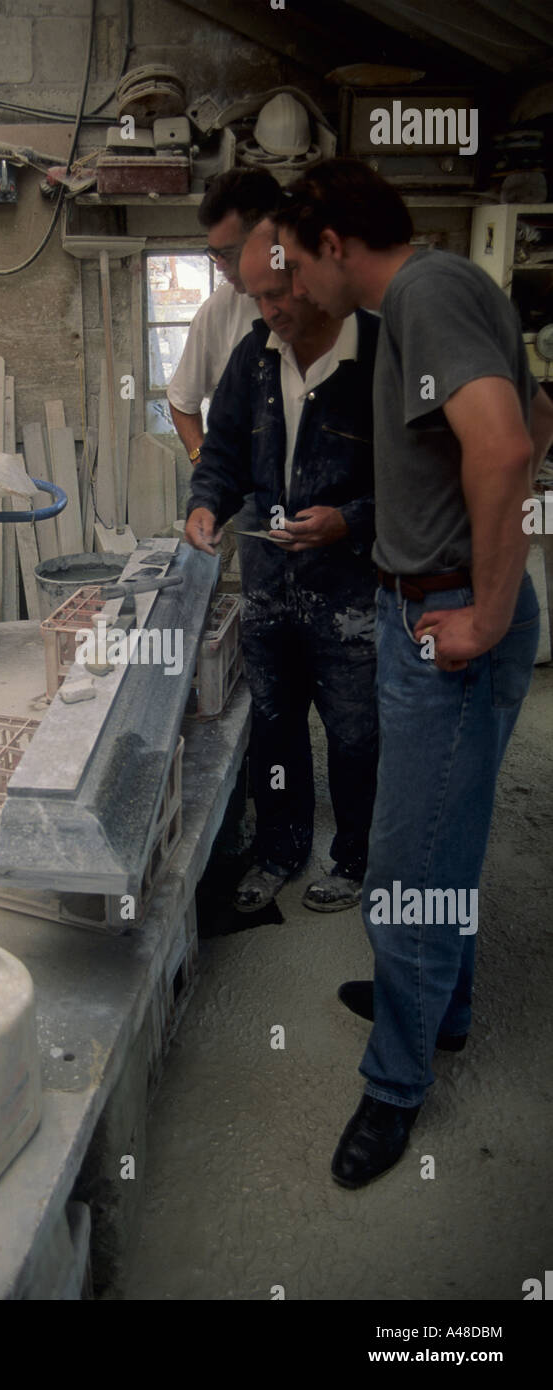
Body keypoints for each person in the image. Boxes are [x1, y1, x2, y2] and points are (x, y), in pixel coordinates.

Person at [275, 158, 553, 1189]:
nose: (295, 287)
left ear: (338, 244)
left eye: (298, 264)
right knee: (442, 837)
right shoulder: (444, 289)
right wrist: (364, 521)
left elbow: (506, 447)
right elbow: (536, 415)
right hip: (428, 605)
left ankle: (394, 1084)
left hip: (447, 626)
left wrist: (480, 609)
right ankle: (444, 1009)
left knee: (405, 870)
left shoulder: (425, 295)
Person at [185, 224, 380, 914]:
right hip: (269, 581)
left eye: (278, 292)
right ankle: (278, 849)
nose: (268, 308)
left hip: (349, 588)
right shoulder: (254, 357)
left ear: (310, 277)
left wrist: (348, 520)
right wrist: (206, 503)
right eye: (257, 296)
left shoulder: (379, 354)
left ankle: (355, 859)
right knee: (273, 723)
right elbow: (222, 449)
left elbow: (419, 486)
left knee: (355, 731)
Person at [167, 169, 283, 464]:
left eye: (229, 253)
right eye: (213, 253)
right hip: (247, 493)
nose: (219, 266)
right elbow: (182, 399)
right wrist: (202, 459)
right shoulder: (219, 310)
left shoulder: (335, 305)